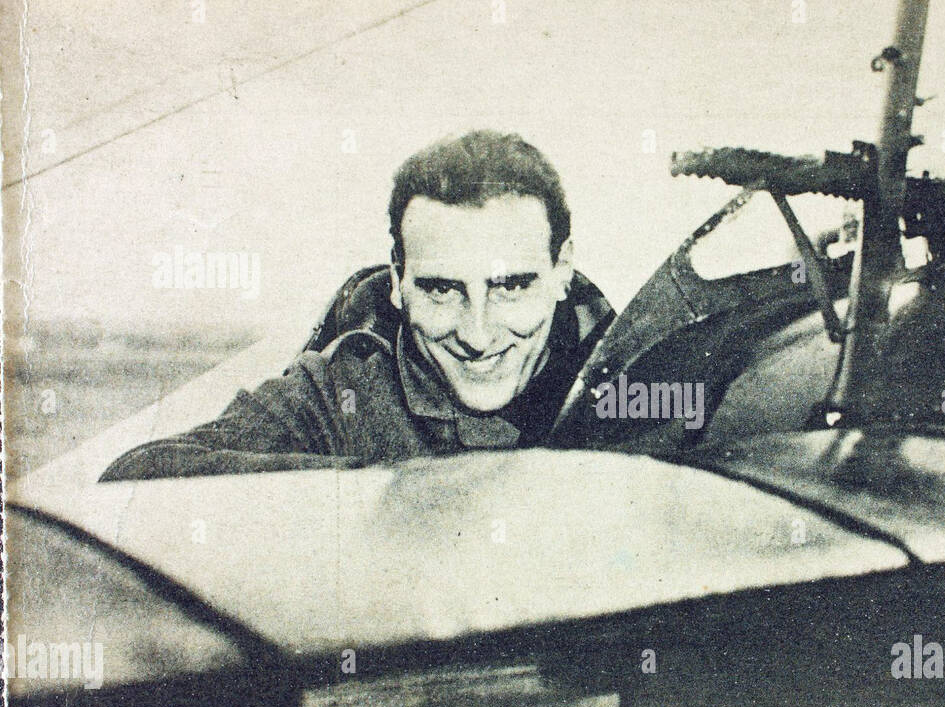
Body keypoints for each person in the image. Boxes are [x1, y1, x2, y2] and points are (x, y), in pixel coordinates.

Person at [101, 130, 612, 480]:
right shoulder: (344, 390)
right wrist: (392, 490)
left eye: (510, 288)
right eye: (441, 290)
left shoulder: (633, 388)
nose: (477, 336)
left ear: (561, 269)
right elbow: (139, 475)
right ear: (398, 278)